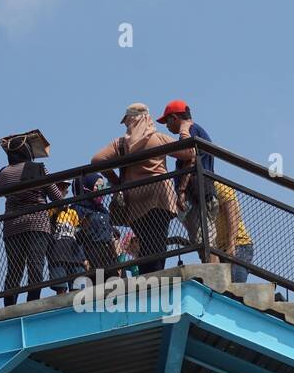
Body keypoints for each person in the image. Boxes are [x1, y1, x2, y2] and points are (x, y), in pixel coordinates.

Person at [90, 104, 176, 273]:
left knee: (144, 241)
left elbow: (96, 160)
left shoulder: (121, 144)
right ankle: (156, 279)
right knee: (158, 241)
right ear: (146, 118)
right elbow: (189, 152)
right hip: (160, 196)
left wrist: (116, 182)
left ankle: (146, 277)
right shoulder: (157, 138)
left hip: (135, 200)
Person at [0, 129, 63, 306]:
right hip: (37, 223)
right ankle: (32, 304)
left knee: (14, 269)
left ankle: (9, 306)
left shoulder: (3, 173)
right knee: (35, 267)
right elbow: (57, 197)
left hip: (12, 226)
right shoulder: (38, 168)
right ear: (27, 152)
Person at [157, 100, 217, 260]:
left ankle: (215, 279)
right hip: (204, 190)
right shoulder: (197, 130)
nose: (166, 126)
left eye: (166, 121)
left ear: (175, 118)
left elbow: (190, 158)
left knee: (204, 241)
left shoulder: (189, 130)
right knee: (205, 240)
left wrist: (182, 191)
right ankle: (214, 275)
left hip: (197, 192)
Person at [72, 172, 117, 273]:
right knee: (100, 285)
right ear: (87, 186)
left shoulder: (103, 210)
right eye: (97, 186)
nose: (101, 189)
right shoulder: (78, 209)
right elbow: (76, 237)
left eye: (102, 186)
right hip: (92, 253)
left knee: (118, 285)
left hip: (110, 253)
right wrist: (83, 259)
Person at [213, 180, 255, 282]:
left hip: (239, 244)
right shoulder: (196, 195)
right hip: (220, 249)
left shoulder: (219, 186)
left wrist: (231, 245)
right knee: (223, 289)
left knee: (235, 287)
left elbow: (233, 215)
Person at [47, 199, 84, 293]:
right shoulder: (50, 210)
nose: (62, 190)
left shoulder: (72, 213)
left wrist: (83, 257)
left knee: (77, 288)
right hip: (57, 252)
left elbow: (77, 233)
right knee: (60, 288)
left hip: (74, 253)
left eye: (64, 187)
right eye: (59, 187)